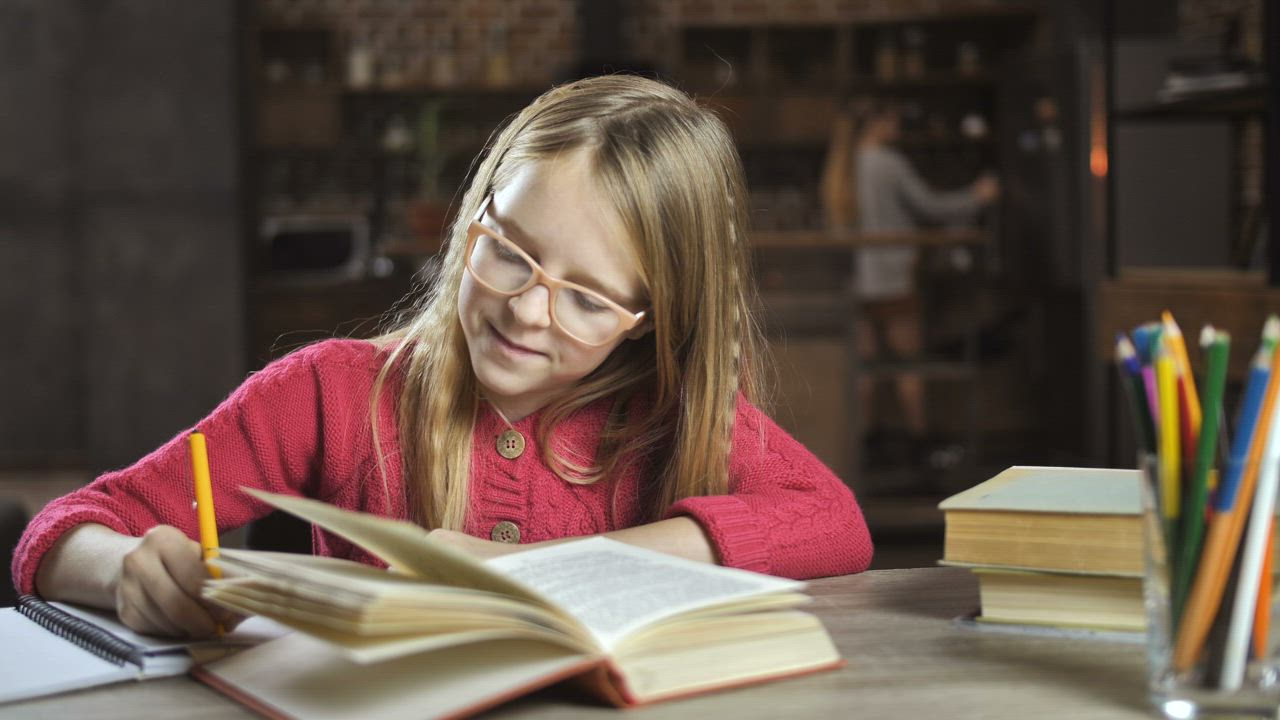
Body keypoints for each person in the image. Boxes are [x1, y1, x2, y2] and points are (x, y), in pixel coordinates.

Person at [14, 75, 874, 639]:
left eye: (585, 298)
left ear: (649, 320)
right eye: (510, 251)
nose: (525, 310)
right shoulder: (331, 392)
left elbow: (837, 524)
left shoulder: (669, 416)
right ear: (475, 217)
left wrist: (566, 567)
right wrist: (127, 569)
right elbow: (57, 534)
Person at [820, 100, 999, 476]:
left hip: (858, 284)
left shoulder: (841, 166)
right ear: (878, 121)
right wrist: (976, 196)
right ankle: (920, 448)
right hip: (894, 279)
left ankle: (865, 454)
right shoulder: (887, 163)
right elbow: (932, 206)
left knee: (865, 370)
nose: (898, 122)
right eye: (893, 116)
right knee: (908, 364)